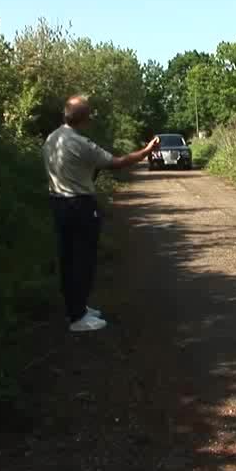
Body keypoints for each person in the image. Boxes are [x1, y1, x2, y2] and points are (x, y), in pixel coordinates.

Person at [43, 95, 161, 332]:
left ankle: (76, 308)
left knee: (68, 259)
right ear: (85, 118)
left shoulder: (52, 138)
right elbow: (117, 162)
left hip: (58, 204)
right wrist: (147, 150)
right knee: (84, 260)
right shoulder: (80, 143)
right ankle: (78, 317)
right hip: (80, 205)